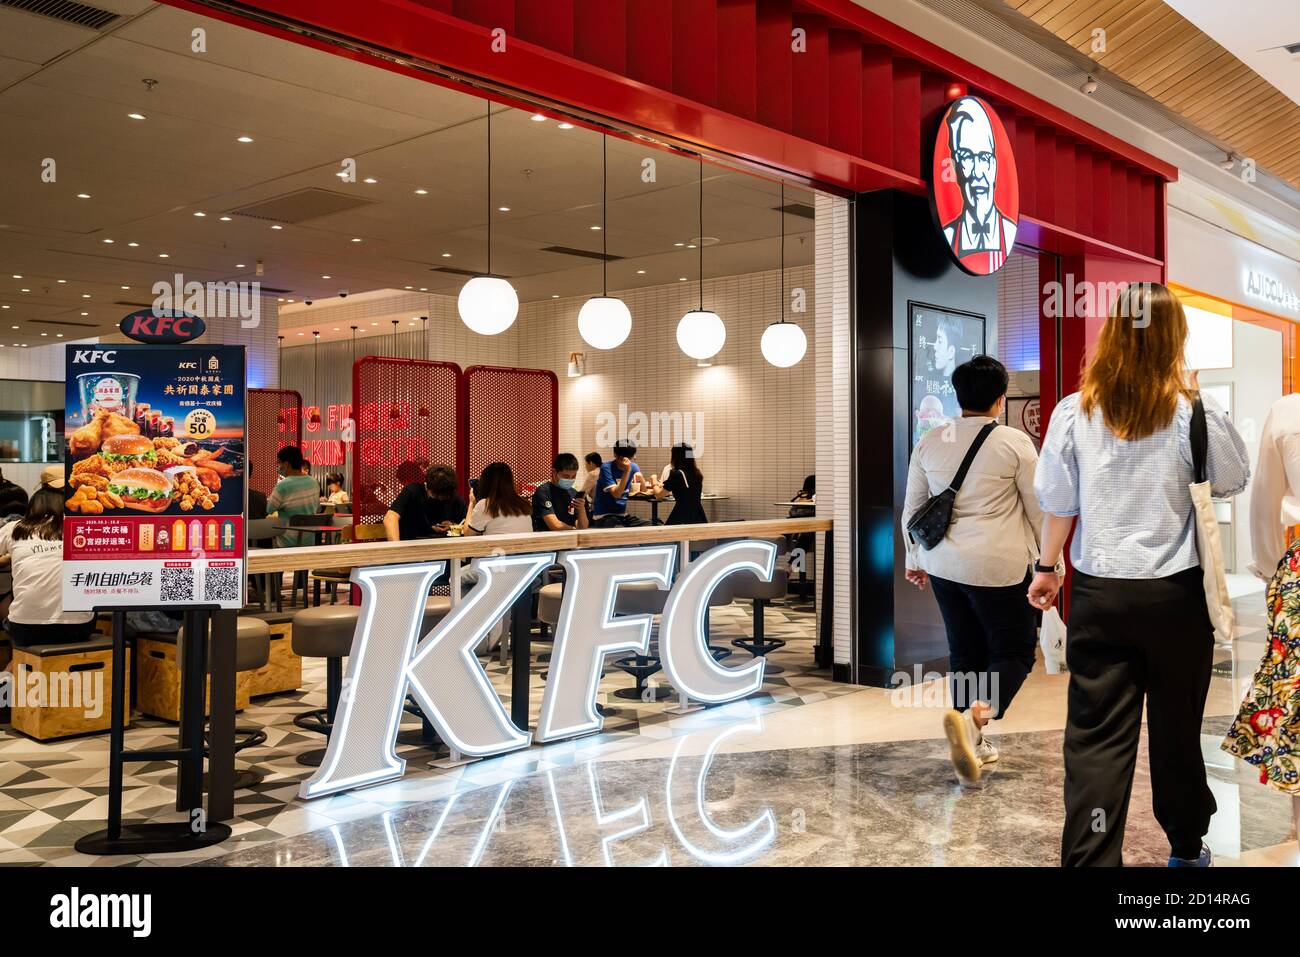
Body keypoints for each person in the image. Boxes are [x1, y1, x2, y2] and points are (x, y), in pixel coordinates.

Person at [1030, 282, 1250, 868]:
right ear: (1175, 338)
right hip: (1175, 599)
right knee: (1177, 728)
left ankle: (1091, 859)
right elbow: (1231, 480)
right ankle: (1184, 846)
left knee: (1096, 737)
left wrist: (1046, 569)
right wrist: (1197, 396)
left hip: (1100, 598)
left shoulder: (1073, 412)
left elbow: (1058, 501)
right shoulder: (1190, 411)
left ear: (1112, 334)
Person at [901, 355, 1053, 786]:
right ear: (1001, 400)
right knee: (1015, 653)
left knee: (964, 651)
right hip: (1000, 568)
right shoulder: (1014, 443)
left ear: (958, 395)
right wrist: (1050, 566)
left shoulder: (931, 439)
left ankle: (974, 735)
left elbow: (911, 509)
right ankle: (974, 721)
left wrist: (915, 559)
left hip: (944, 566)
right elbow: (1040, 511)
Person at [1222, 393, 1300, 844]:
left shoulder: (1289, 411)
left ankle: (1298, 822)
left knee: (1293, 694)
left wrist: (1274, 571)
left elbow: (1265, 501)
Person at [1, 486, 94, 649]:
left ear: (31, 507)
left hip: (26, 628)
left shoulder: (15, 528)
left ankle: (14, 666)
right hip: (78, 627)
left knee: (8, 602)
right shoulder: (79, 527)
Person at [940, 97, 1017, 275]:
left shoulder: (1008, 231)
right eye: (967, 156)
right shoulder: (950, 234)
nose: (977, 172)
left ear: (994, 165)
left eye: (983, 158)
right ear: (956, 165)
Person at [384, 465, 466, 542]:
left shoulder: (453, 497)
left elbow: (468, 527)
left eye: (444, 496)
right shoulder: (413, 491)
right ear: (426, 485)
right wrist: (396, 549)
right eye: (435, 495)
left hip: (445, 547)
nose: (440, 499)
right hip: (412, 545)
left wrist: (452, 526)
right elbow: (390, 518)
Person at [267, 445, 320, 547]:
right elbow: (317, 508)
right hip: (310, 542)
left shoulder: (282, 485)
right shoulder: (314, 482)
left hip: (287, 543)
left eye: (279, 463)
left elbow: (269, 509)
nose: (277, 466)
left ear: (286, 465)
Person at [463, 462, 533, 536]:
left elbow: (467, 534)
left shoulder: (486, 505)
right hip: (526, 547)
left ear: (485, 483)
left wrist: (471, 503)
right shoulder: (523, 504)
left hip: (498, 547)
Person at [591, 440, 647, 528]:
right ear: (617, 456)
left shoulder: (634, 467)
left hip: (622, 515)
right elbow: (616, 494)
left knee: (654, 524)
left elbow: (644, 492)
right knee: (619, 528)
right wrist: (627, 471)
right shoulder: (606, 468)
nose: (630, 460)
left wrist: (642, 479)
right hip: (603, 516)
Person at [654, 442, 707, 526]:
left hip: (682, 515)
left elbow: (659, 495)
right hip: (699, 515)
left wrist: (654, 482)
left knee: (667, 536)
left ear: (675, 456)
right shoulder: (697, 473)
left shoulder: (677, 474)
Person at [533, 453, 589, 532]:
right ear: (554, 472)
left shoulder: (574, 493)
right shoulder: (543, 492)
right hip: (549, 540)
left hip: (571, 541)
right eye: (566, 476)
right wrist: (574, 529)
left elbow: (583, 527)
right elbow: (555, 525)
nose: (570, 480)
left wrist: (581, 509)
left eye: (573, 476)